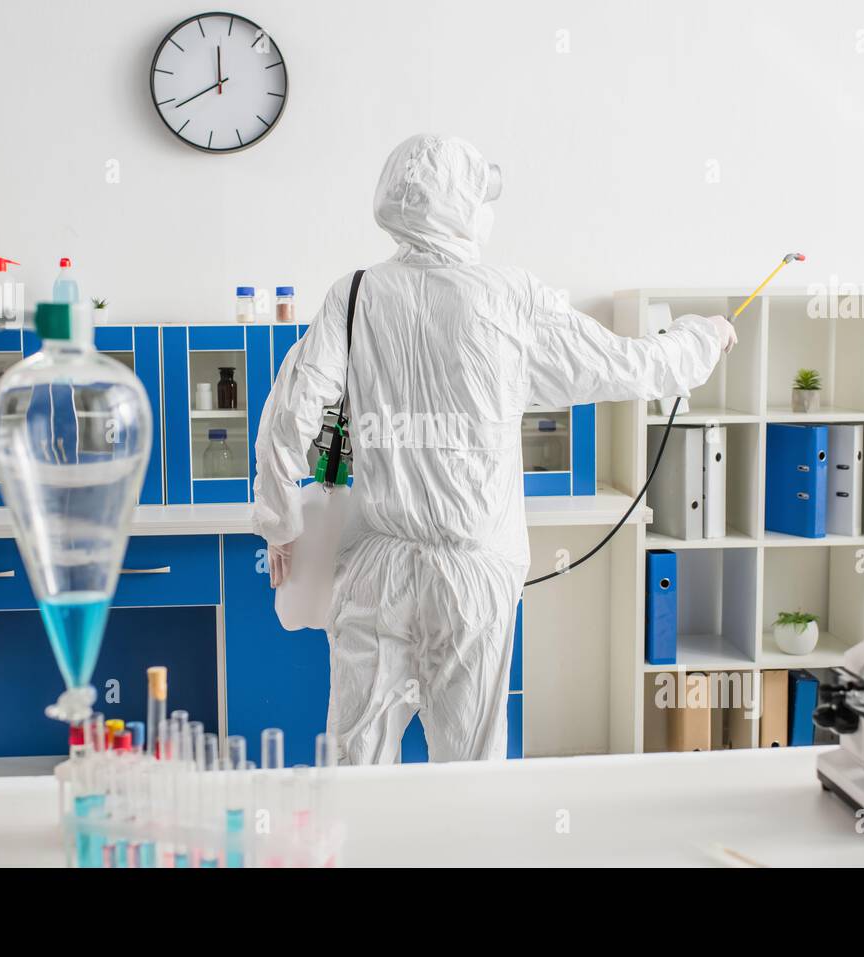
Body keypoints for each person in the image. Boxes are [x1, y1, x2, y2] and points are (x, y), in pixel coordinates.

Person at [252, 134, 735, 764]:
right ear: (463, 204)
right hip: (472, 574)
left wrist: (280, 523)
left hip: (373, 569)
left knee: (357, 765)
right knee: (470, 766)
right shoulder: (511, 296)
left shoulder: (353, 293)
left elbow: (288, 415)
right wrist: (702, 338)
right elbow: (625, 366)